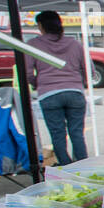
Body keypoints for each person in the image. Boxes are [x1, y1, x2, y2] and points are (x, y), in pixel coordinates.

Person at [26, 11, 89, 166]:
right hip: (75, 92)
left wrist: (38, 83)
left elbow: (27, 72)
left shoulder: (34, 45)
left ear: (40, 26)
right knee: (77, 133)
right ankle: (84, 166)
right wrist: (78, 83)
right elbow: (89, 70)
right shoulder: (74, 43)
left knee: (57, 134)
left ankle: (66, 167)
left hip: (49, 94)